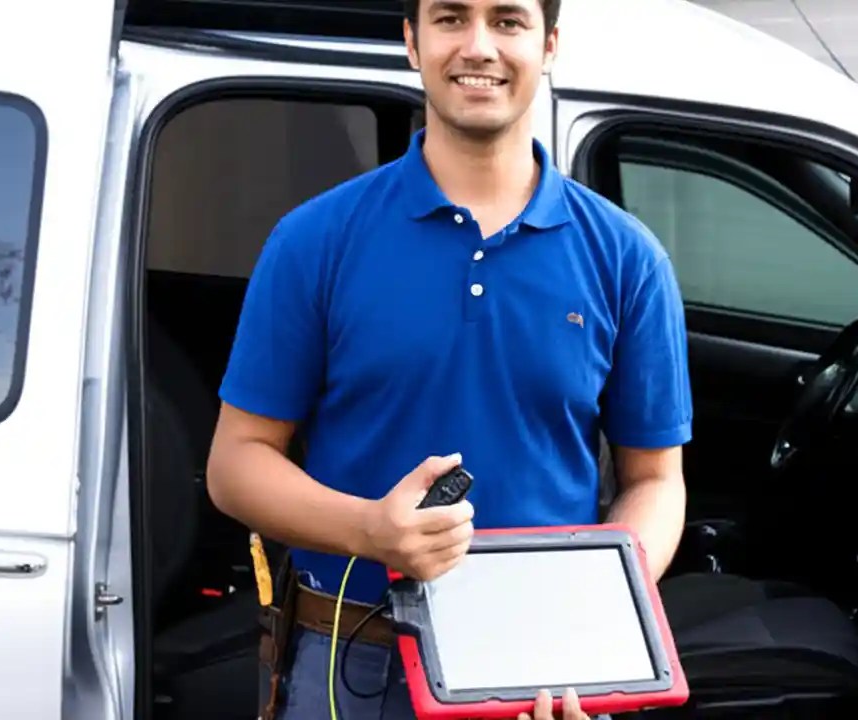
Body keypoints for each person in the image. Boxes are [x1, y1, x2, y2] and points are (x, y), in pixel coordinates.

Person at [205, 0, 692, 718]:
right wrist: (371, 531)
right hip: (349, 663)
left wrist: (592, 616)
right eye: (451, 18)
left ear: (549, 43)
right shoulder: (314, 241)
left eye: (507, 20)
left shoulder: (627, 259)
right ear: (412, 40)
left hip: (543, 675)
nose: (478, 46)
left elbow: (656, 482)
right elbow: (235, 464)